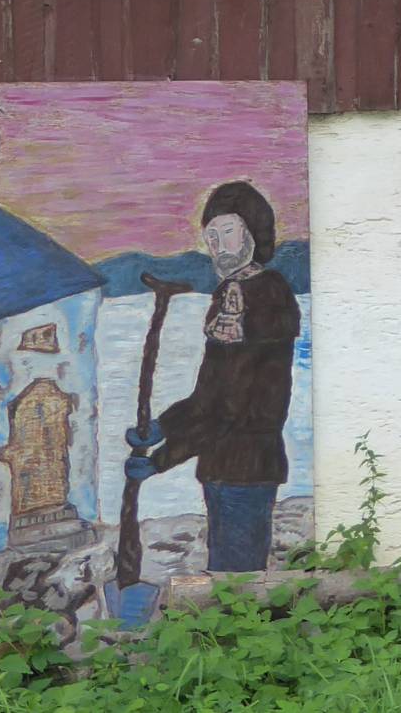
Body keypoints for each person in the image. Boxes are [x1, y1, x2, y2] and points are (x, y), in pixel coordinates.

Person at [124, 181, 300, 573]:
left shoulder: (267, 295)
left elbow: (232, 408)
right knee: (226, 569)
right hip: (220, 466)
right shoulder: (229, 293)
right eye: (211, 236)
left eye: (228, 232)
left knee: (236, 578)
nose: (218, 245)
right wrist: (161, 427)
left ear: (252, 232)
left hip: (248, 466)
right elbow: (209, 396)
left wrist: (161, 460)